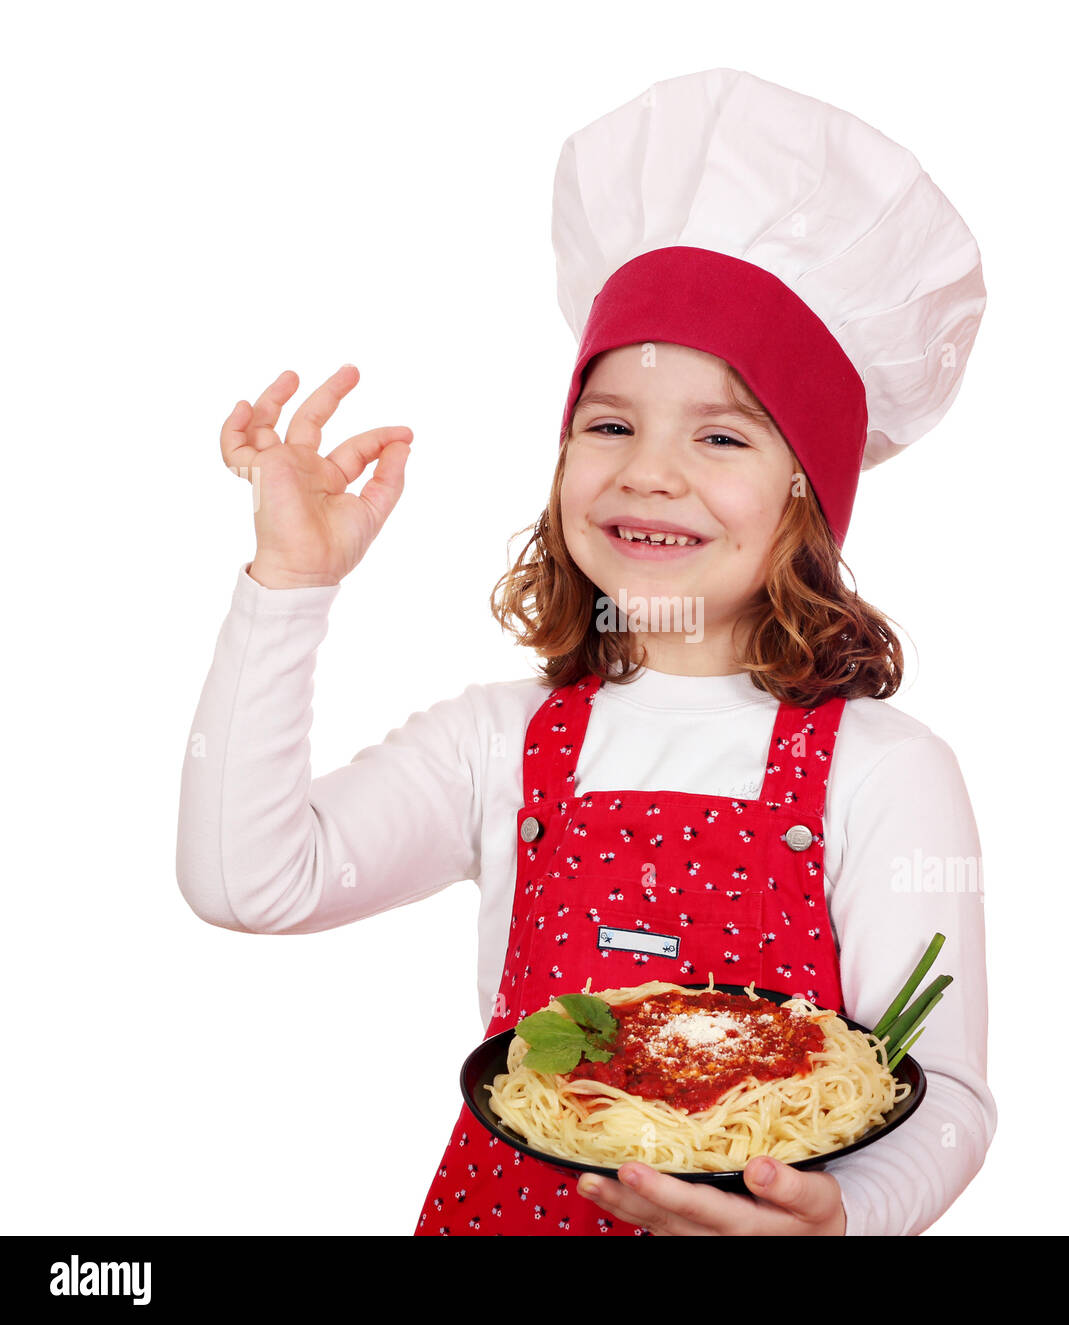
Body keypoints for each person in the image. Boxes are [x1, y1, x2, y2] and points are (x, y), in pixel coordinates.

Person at [177, 68, 996, 1236]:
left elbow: (943, 1090)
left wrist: (839, 1216)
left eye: (720, 433)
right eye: (607, 423)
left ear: (808, 496)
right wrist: (291, 586)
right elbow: (247, 882)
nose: (647, 470)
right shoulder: (496, 739)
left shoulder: (886, 767)